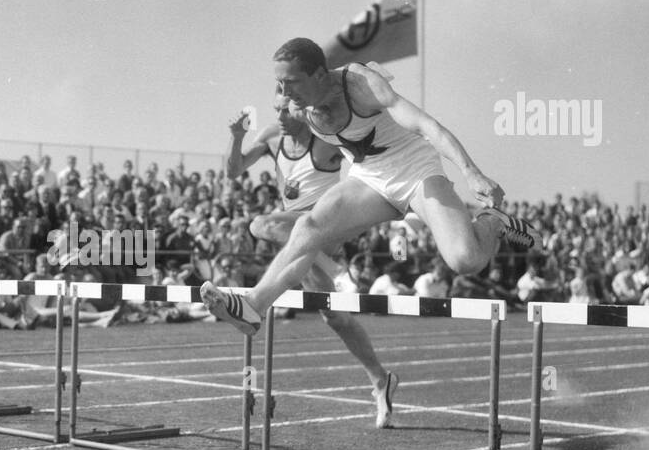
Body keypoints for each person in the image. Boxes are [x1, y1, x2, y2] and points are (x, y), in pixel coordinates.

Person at [200, 38, 538, 336]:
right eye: (279, 84)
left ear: (320, 75)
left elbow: (426, 125)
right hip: (369, 178)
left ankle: (493, 221)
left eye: (292, 83)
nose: (286, 94)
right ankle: (253, 307)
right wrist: (240, 139)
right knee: (308, 228)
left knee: (465, 260)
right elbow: (239, 167)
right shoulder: (296, 109)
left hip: (416, 172)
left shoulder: (361, 84)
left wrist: (470, 171)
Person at [225, 97, 400, 426]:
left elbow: (370, 158)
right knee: (335, 317)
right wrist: (236, 138)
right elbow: (233, 171)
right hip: (300, 243)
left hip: (326, 229)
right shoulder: (271, 138)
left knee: (261, 225)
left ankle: (331, 271)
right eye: (276, 109)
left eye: (286, 109)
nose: (279, 116)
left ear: (304, 109)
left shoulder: (327, 138)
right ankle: (381, 379)